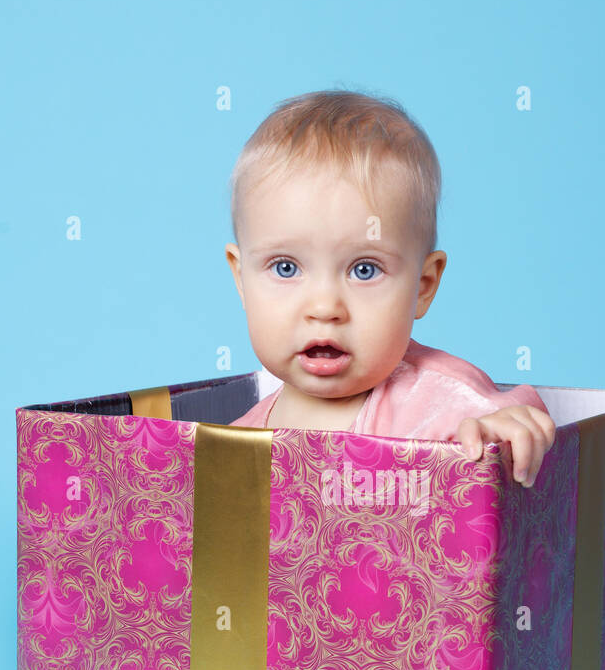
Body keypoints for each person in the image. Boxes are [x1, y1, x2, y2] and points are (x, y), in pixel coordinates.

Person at [225, 90, 555, 487]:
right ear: (241, 279)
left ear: (423, 285)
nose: (325, 307)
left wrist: (498, 434)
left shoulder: (438, 405)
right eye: (285, 267)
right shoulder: (238, 438)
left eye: (364, 269)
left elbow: (514, 422)